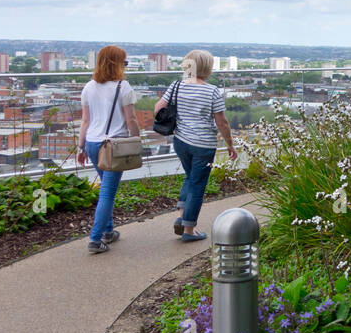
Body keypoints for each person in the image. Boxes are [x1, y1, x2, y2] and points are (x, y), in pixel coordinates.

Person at [154, 50, 237, 241]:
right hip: (203, 144)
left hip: (181, 141)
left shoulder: (176, 85)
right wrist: (230, 144)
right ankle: (189, 230)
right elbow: (221, 122)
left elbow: (158, 108)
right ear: (207, 68)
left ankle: (182, 216)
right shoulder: (212, 91)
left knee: (190, 177)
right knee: (198, 185)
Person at [78, 45, 140, 254]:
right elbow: (131, 118)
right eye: (125, 62)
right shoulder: (123, 87)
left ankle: (108, 231)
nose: (126, 66)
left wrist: (80, 147)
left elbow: (85, 121)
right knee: (107, 193)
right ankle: (95, 239)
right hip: (114, 145)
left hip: (93, 143)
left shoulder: (88, 87)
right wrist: (136, 140)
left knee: (105, 186)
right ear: (117, 64)